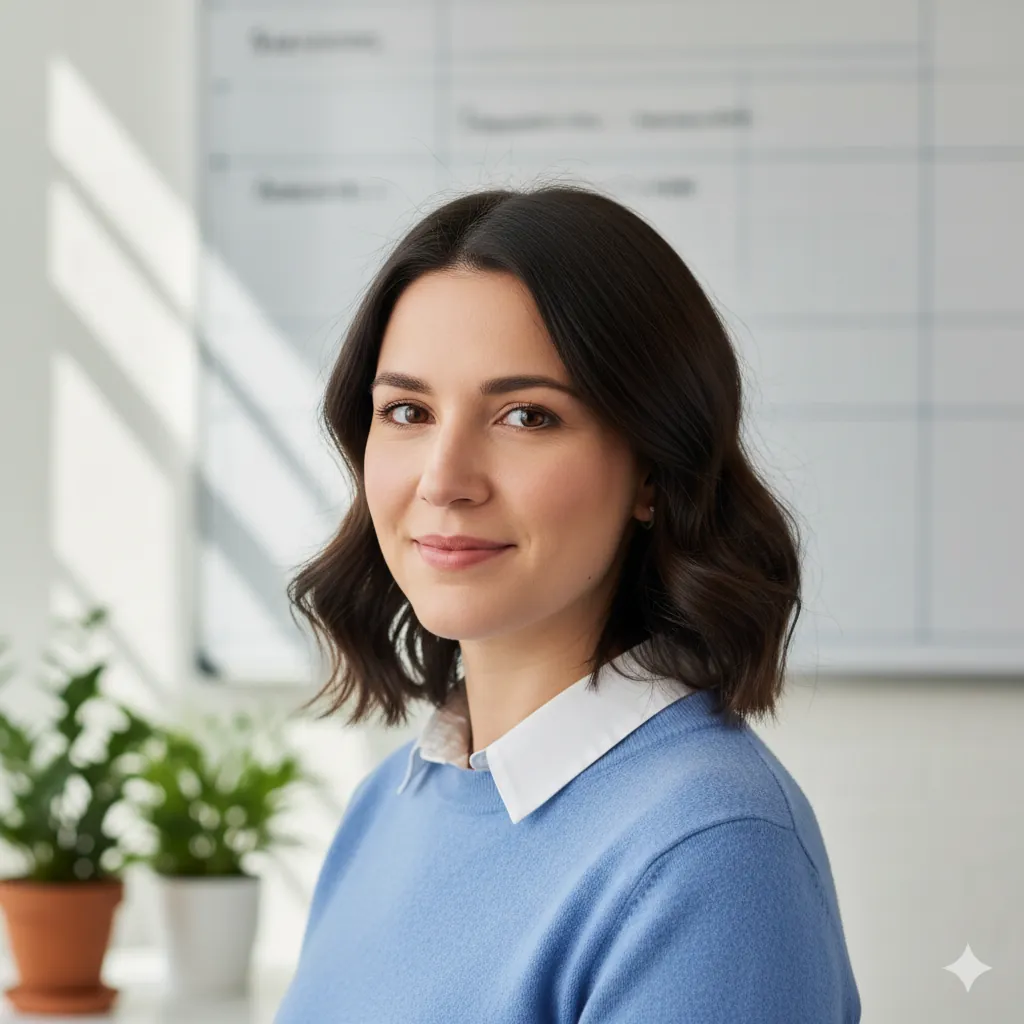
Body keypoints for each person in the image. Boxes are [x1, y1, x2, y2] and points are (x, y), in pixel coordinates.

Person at [274, 184, 862, 1023]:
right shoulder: (386, 808)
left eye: (526, 416)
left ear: (653, 470)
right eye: (407, 410)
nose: (444, 479)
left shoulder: (713, 853)